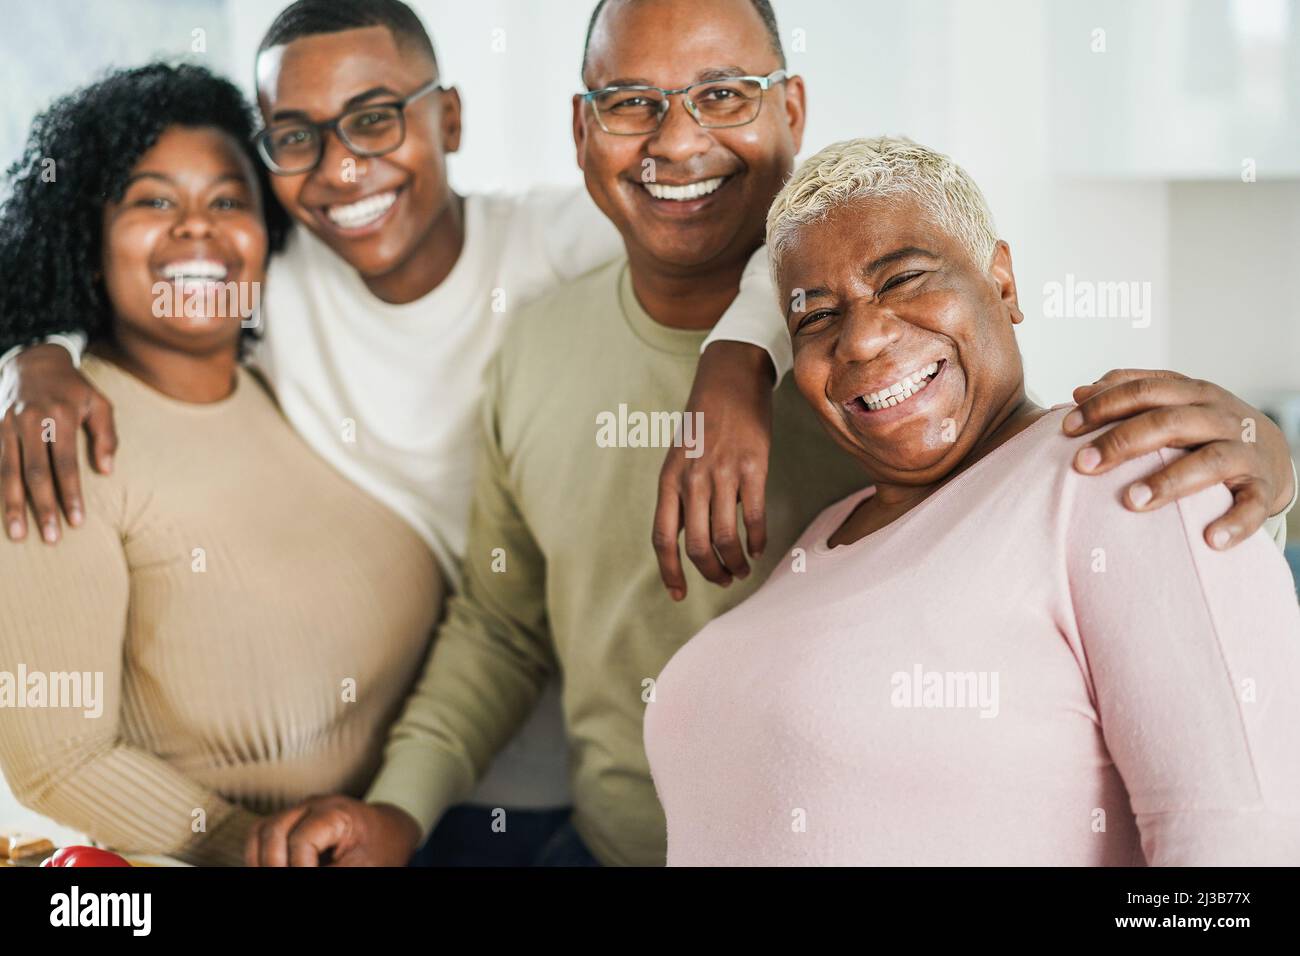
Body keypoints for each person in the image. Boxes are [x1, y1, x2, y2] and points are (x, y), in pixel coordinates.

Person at [246, 0, 870, 868]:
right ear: (581, 129)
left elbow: (1007, 478)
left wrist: (741, 352)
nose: (679, 143)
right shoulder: (533, 347)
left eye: (724, 94)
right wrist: (396, 811)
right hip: (604, 847)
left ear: (791, 110)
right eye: (630, 103)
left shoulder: (879, 339)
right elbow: (500, 628)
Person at [644, 137, 1300, 865]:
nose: (861, 339)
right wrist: (732, 357)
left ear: (1003, 284)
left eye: (901, 280)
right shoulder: (827, 531)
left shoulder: (1117, 467)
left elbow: (1236, 854)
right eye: (817, 317)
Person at [0, 64, 443, 866]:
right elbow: (55, 759)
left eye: (229, 200)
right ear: (85, 236)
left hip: (422, 828)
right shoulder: (52, 445)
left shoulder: (295, 380)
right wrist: (251, 845)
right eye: (153, 200)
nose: (197, 227)